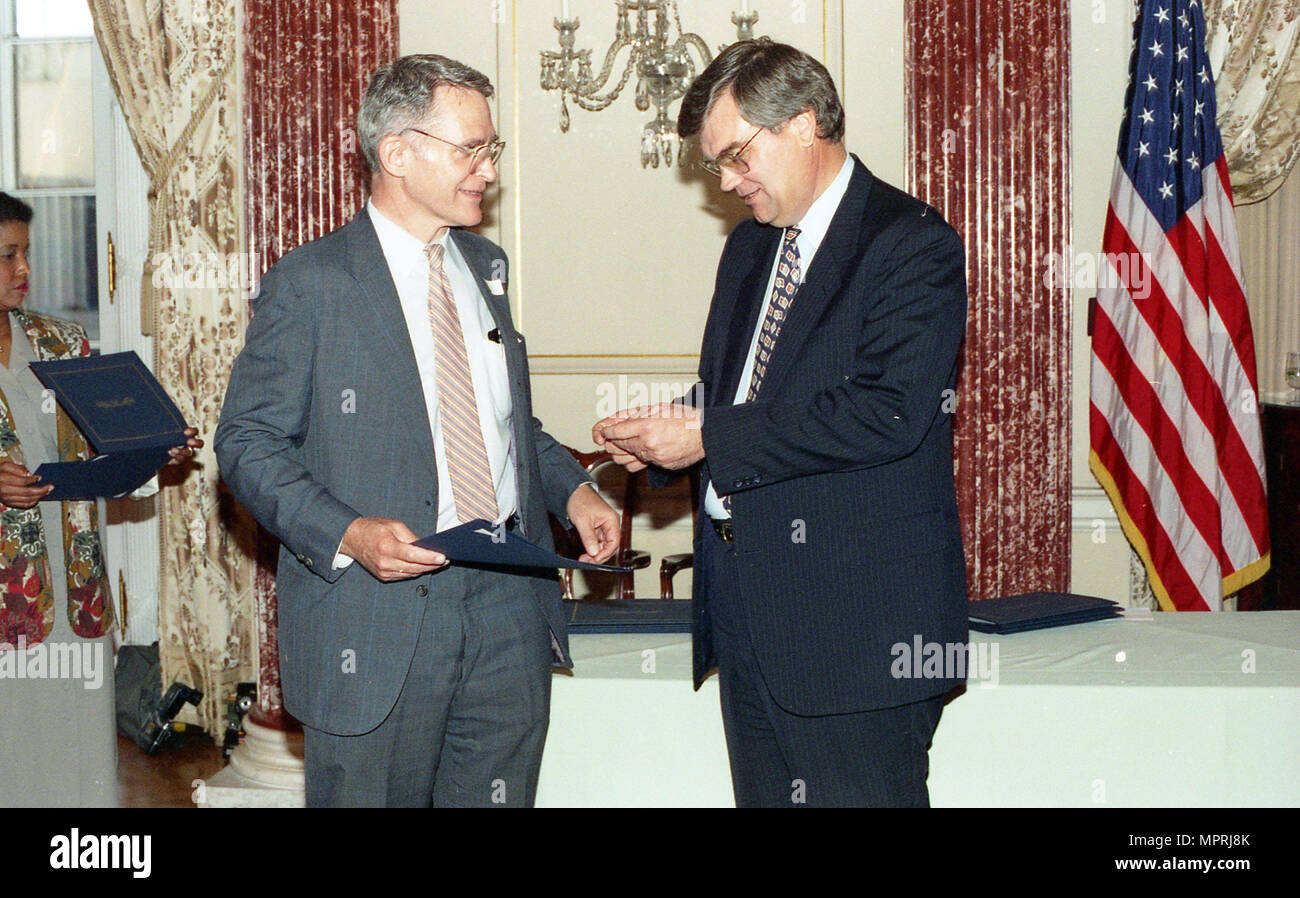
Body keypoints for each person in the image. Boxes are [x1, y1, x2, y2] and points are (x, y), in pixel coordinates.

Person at [215, 54, 620, 808]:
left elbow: (507, 422)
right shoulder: (312, 283)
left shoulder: (486, 265)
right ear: (397, 152)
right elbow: (246, 443)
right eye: (470, 150)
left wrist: (575, 494)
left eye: (490, 150)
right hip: (375, 620)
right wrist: (348, 533)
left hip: (507, 608)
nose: (487, 171)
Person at [593, 40, 969, 807]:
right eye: (715, 167)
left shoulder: (911, 242)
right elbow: (739, 398)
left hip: (861, 640)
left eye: (735, 156)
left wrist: (708, 436)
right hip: (748, 624)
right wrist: (667, 440)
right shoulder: (749, 250)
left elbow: (888, 412)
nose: (728, 183)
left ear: (802, 123)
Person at [0, 191, 199, 807]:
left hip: (75, 588)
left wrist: (153, 453)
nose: (24, 271)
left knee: (77, 759)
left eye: (26, 254)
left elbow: (104, 457)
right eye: (8, 256)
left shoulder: (65, 345)